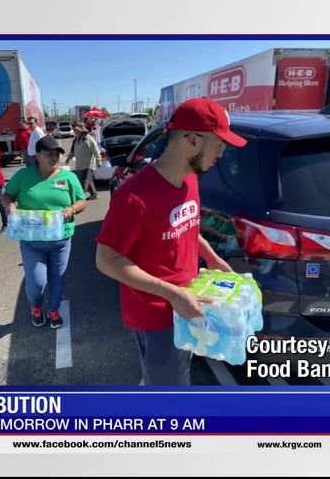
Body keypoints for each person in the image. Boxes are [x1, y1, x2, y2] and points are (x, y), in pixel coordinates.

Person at [94, 98, 246, 385]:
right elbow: (106, 259)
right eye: (219, 144)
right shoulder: (134, 196)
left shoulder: (189, 179)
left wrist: (213, 258)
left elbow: (186, 226)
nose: (222, 153)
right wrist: (174, 294)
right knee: (171, 392)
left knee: (164, 379)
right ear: (192, 140)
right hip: (157, 317)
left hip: (187, 303)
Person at [3, 136, 87, 329]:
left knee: (58, 280)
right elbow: (8, 194)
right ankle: (36, 306)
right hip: (32, 242)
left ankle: (54, 309)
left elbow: (82, 201)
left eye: (57, 153)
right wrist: (11, 204)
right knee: (37, 282)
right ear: (37, 155)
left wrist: (72, 209)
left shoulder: (68, 178)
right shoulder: (24, 176)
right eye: (49, 154)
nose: (54, 157)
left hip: (61, 240)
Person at [66, 124, 100, 200]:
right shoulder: (75, 140)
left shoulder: (89, 139)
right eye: (75, 130)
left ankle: (79, 198)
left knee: (84, 182)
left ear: (81, 131)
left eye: (77, 130)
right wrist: (68, 158)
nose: (75, 131)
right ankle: (94, 194)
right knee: (89, 180)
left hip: (88, 164)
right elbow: (73, 152)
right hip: (80, 165)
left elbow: (96, 150)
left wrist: (99, 160)